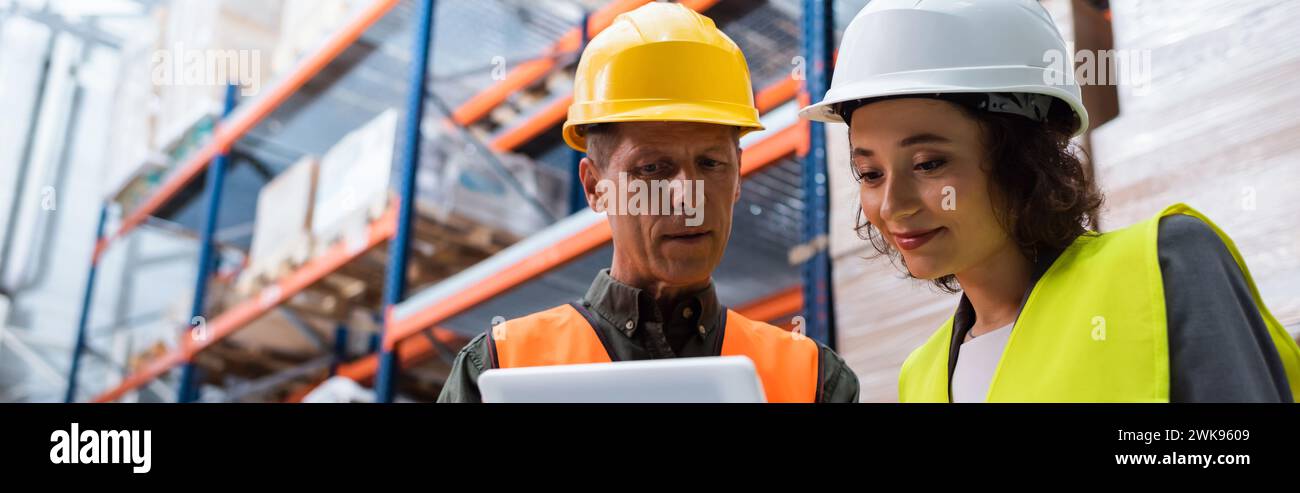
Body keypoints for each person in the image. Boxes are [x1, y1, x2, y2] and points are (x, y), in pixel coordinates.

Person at [799, 0, 1300, 402]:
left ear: (1023, 157)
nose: (892, 205)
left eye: (929, 163)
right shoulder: (921, 375)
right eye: (869, 173)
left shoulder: (1164, 265)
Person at [439, 2, 859, 403]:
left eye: (711, 163)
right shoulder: (499, 369)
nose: (687, 195)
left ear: (737, 177)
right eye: (653, 168)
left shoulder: (814, 379)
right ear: (594, 186)